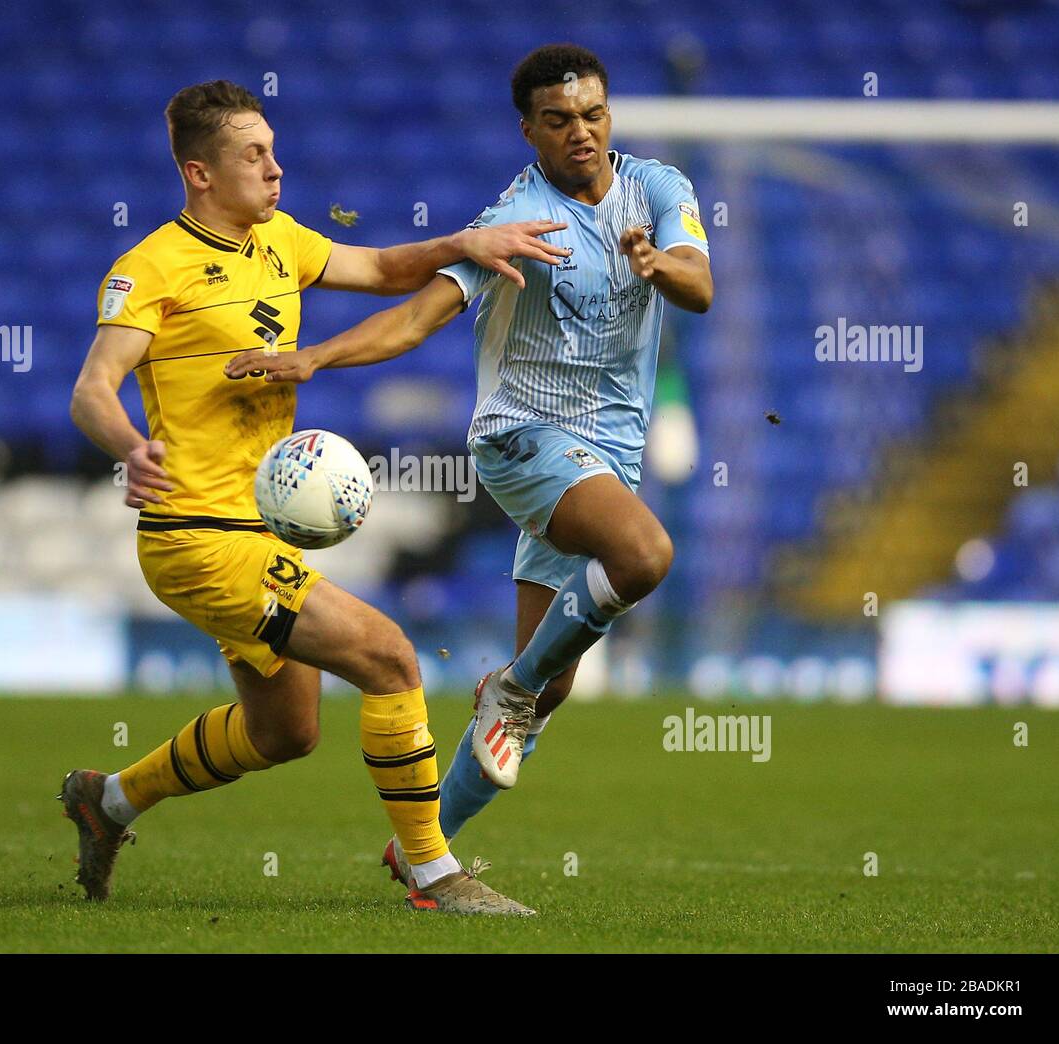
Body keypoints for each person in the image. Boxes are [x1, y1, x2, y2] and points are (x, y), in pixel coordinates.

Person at [65, 78, 569, 915]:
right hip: (195, 532)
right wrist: (130, 447)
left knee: (284, 733)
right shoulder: (150, 266)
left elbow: (377, 268)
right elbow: (93, 387)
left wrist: (468, 242)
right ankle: (435, 874)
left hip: (258, 533)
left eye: (273, 150)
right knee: (390, 656)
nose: (276, 167)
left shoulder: (281, 242)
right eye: (254, 155)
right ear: (200, 173)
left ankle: (106, 800)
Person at [224, 44, 714, 890]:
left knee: (553, 690)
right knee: (644, 557)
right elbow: (417, 318)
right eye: (559, 121)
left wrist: (655, 262)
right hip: (524, 439)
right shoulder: (517, 218)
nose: (582, 133)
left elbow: (699, 286)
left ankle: (422, 851)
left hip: (611, 453)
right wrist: (312, 359)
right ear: (529, 129)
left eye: (593, 115)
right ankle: (510, 690)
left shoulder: (659, 189)